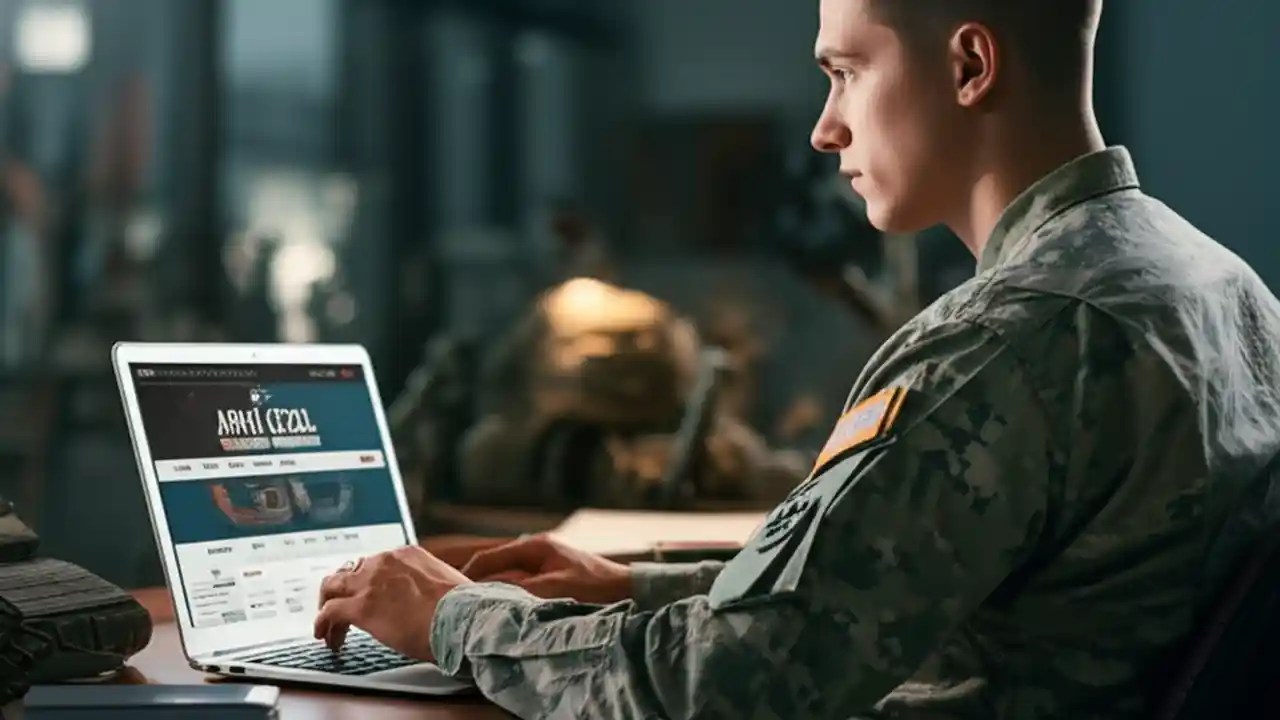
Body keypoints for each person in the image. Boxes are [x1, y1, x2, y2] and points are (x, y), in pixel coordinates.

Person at [313, 0, 1280, 716]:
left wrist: (457, 620)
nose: (826, 127)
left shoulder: (998, 347)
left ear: (971, 64)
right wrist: (637, 584)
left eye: (845, 71)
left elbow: (727, 688)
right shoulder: (1221, 288)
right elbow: (917, 581)